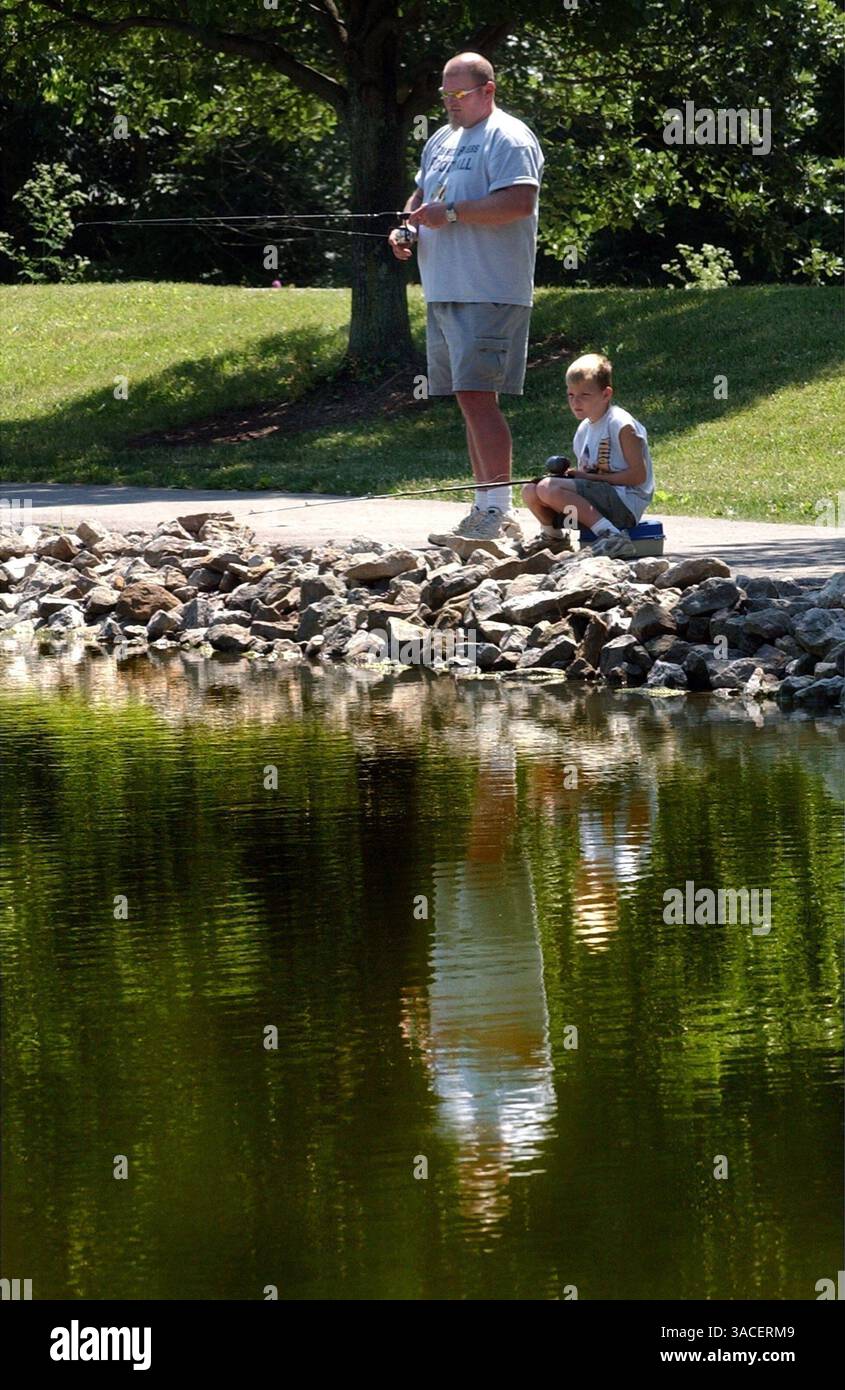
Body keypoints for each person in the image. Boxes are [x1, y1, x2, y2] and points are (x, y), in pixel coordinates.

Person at [388, 51, 544, 543]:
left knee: (480, 395)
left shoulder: (509, 136)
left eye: (460, 94)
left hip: (491, 287)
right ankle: (484, 507)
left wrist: (450, 214)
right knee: (467, 397)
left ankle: (497, 512)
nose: (451, 103)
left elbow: (520, 201)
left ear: (488, 91)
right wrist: (407, 227)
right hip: (444, 287)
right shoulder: (441, 139)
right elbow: (421, 196)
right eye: (445, 94)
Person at [521, 353, 655, 558]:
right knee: (531, 489)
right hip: (601, 501)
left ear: (606, 394)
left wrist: (589, 478)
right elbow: (587, 478)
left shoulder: (621, 425)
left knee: (548, 488)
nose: (576, 402)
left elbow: (638, 477)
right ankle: (554, 538)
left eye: (585, 395)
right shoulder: (584, 429)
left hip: (626, 504)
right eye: (571, 395)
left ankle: (612, 536)